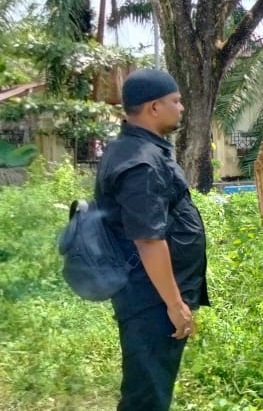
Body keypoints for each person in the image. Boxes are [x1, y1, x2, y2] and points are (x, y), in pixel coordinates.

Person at [94, 68, 209, 410]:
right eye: (176, 101)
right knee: (147, 396)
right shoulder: (140, 163)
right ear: (154, 107)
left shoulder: (138, 149)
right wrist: (174, 305)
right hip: (150, 299)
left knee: (152, 386)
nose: (182, 107)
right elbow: (148, 240)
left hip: (150, 292)